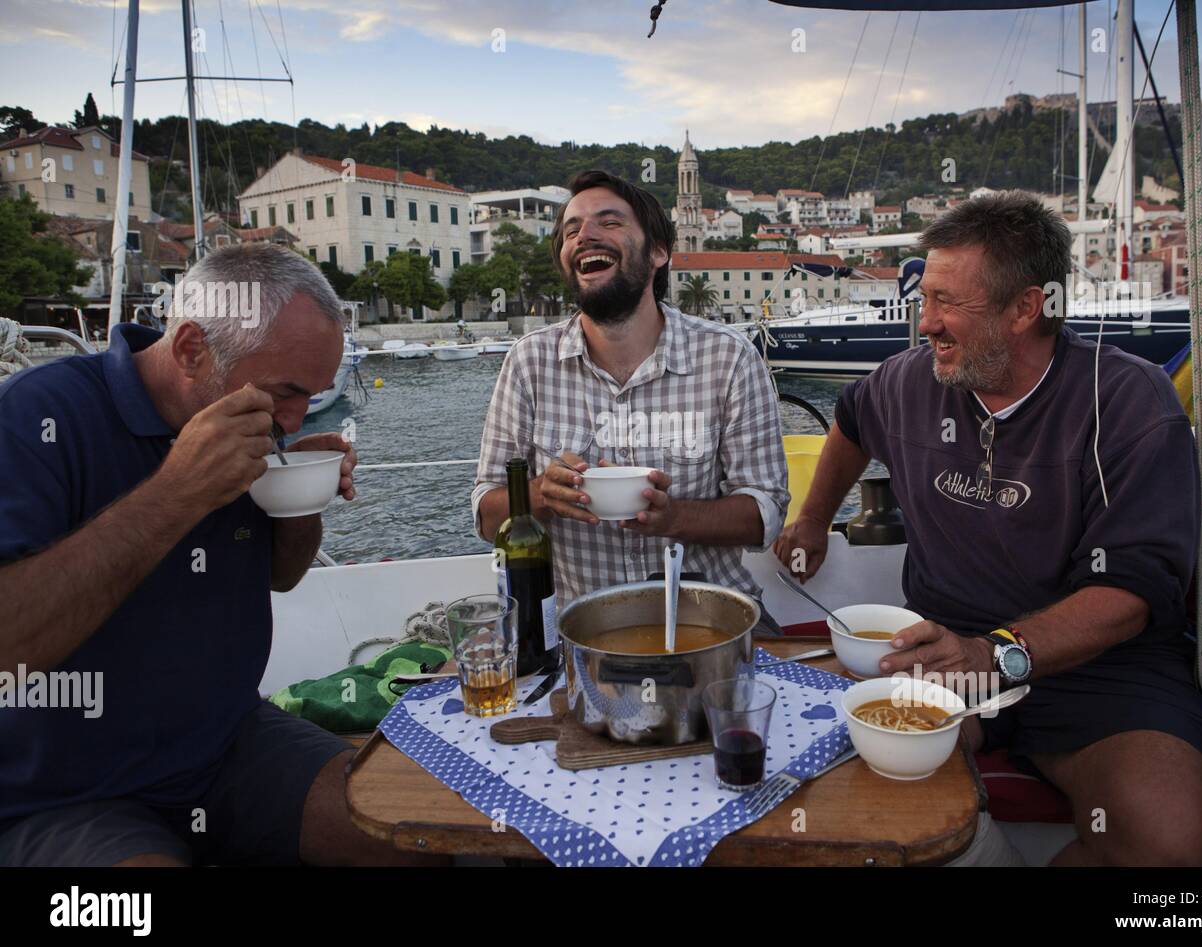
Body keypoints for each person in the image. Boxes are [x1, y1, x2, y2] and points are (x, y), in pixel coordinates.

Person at [775, 191, 1202, 865]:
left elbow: (1132, 595)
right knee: (833, 798)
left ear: (1026, 308)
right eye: (923, 299)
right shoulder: (907, 383)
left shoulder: (1128, 402)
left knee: (1164, 846)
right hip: (946, 658)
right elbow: (851, 420)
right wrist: (811, 521)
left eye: (948, 303)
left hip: (1104, 673)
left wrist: (997, 652)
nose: (926, 324)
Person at [0, 243, 428, 866]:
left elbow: (282, 576)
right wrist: (178, 489)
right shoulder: (38, 416)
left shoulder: (253, 432)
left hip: (226, 743)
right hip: (63, 789)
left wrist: (299, 495)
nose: (294, 415)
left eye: (313, 393)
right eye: (286, 390)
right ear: (191, 350)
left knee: (411, 838)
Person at [473, 170, 789, 630]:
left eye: (609, 221)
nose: (585, 235)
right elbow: (486, 516)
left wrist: (673, 517)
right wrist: (541, 494)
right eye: (571, 229)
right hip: (580, 633)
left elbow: (765, 515)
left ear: (658, 252)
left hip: (710, 621)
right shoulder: (528, 363)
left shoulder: (729, 357)